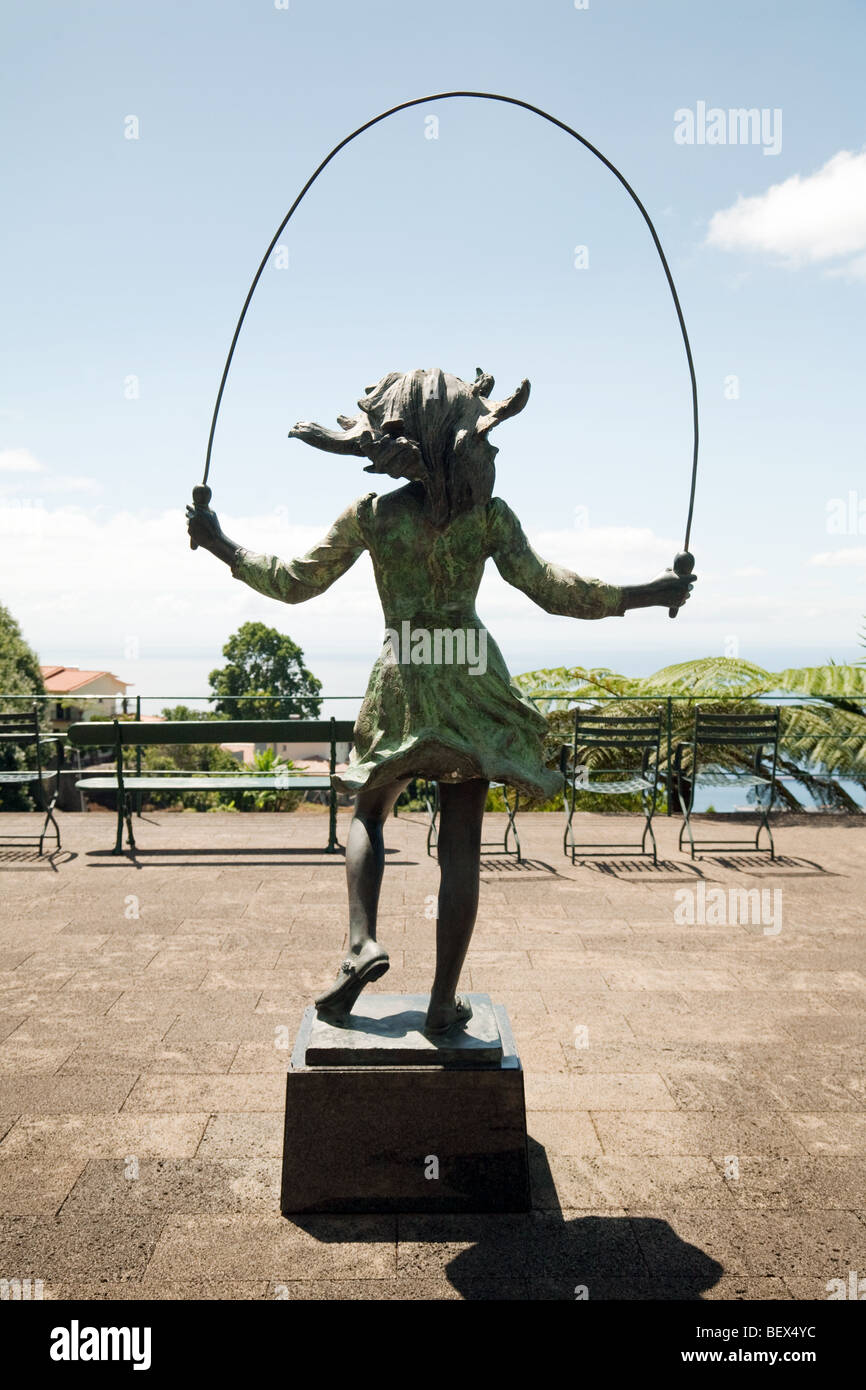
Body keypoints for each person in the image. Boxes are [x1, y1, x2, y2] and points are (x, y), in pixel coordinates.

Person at [187, 367, 695, 1034]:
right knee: (461, 846)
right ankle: (441, 1001)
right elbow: (553, 589)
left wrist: (218, 539)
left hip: (402, 680)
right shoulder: (486, 518)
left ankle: (360, 943)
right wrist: (647, 593)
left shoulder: (373, 515)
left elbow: (293, 583)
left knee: (371, 811)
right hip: (472, 678)